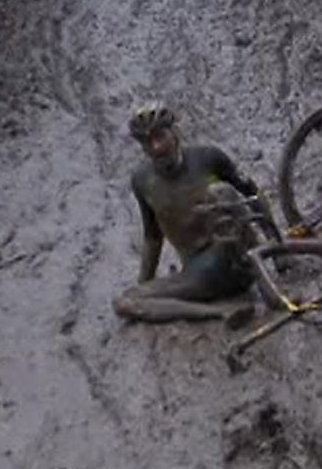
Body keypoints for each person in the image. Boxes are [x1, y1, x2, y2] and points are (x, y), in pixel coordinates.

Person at [112, 103, 279, 327]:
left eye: (160, 136)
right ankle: (218, 312)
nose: (156, 147)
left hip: (238, 258)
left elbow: (253, 194)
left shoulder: (209, 157)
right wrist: (146, 286)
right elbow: (153, 237)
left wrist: (279, 250)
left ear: (176, 132)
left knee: (220, 192)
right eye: (147, 142)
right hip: (200, 275)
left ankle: (267, 285)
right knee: (125, 301)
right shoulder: (142, 180)